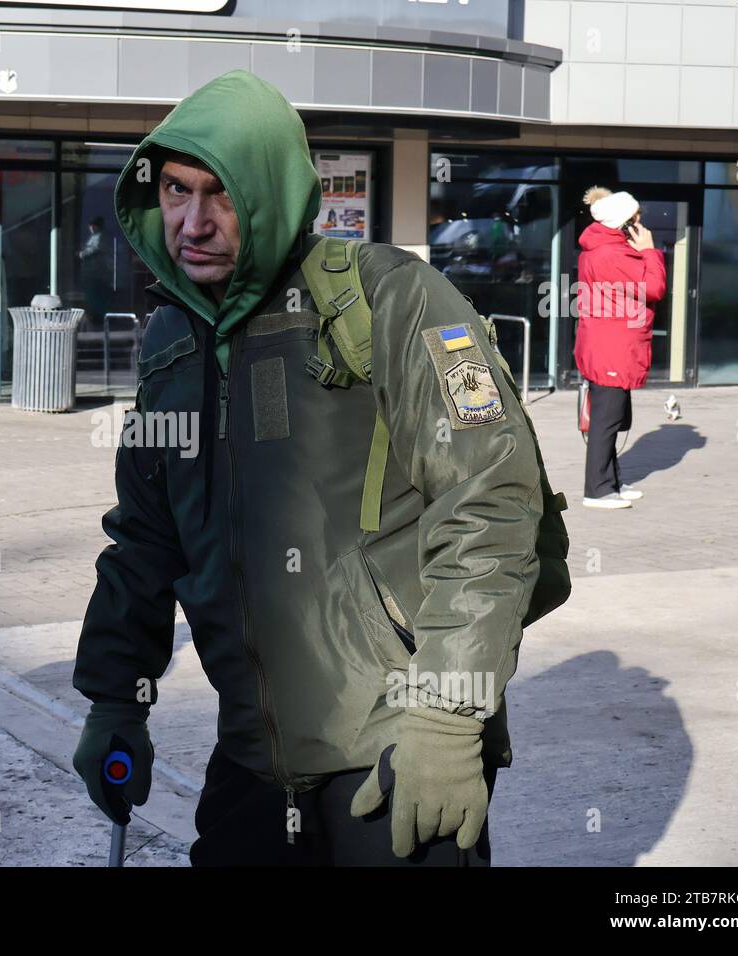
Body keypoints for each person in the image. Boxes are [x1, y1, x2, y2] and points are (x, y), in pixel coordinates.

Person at [71, 70, 568, 866]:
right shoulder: (172, 345)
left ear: (268, 194)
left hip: (395, 751)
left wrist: (445, 719)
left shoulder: (391, 300)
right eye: (173, 190)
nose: (192, 222)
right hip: (254, 758)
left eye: (220, 195)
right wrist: (113, 699)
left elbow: (492, 505)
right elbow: (144, 542)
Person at [574, 187, 666, 509]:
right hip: (611, 347)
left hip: (608, 344)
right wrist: (651, 250)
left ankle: (611, 481)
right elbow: (653, 287)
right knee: (605, 421)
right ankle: (597, 490)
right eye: (636, 219)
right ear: (623, 223)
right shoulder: (611, 254)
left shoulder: (604, 247)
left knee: (610, 418)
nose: (641, 224)